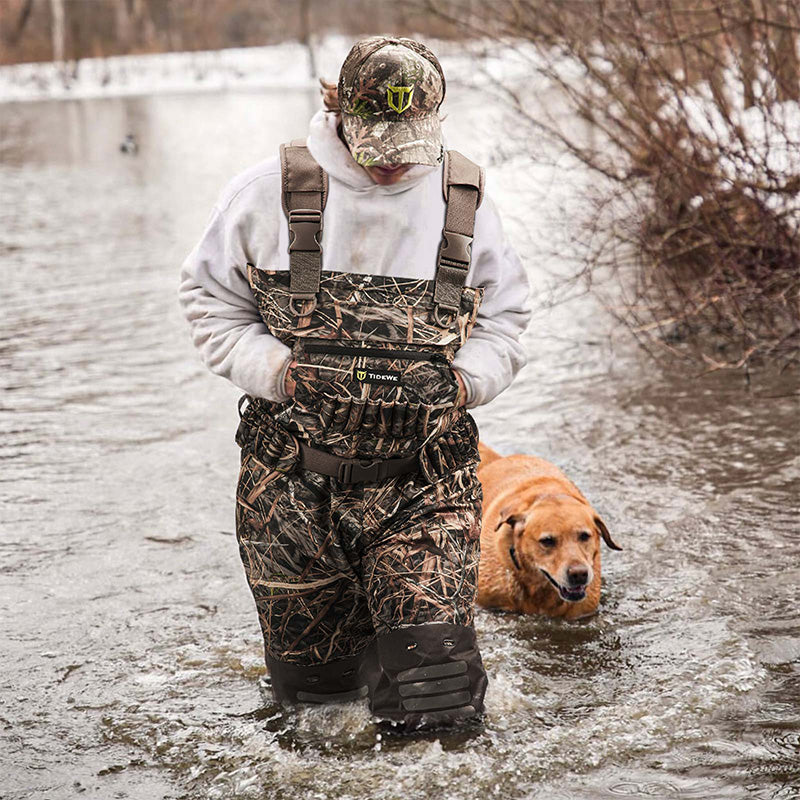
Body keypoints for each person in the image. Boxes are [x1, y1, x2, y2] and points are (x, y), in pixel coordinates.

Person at [179, 35, 532, 732]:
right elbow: (207, 303)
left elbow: (507, 319)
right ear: (340, 111)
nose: (393, 160)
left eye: (409, 143)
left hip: (424, 483)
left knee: (439, 705)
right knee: (318, 716)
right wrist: (276, 371)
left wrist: (468, 384)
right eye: (378, 141)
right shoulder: (264, 194)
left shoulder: (464, 201)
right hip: (290, 488)